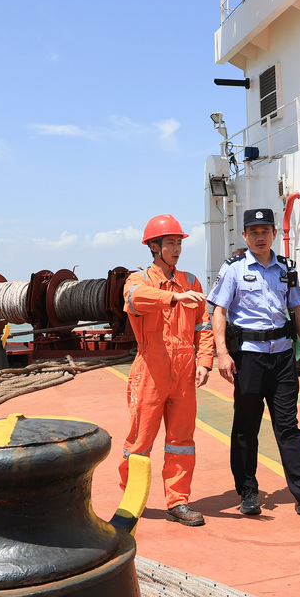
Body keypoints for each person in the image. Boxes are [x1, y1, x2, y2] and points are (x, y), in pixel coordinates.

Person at [208, 208, 300, 519]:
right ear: (245, 235)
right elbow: (219, 311)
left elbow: (297, 309)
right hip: (248, 358)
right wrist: (222, 353)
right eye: (254, 232)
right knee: (246, 426)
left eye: (265, 231)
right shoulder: (234, 269)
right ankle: (248, 491)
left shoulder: (286, 269)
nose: (260, 237)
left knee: (288, 426)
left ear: (274, 234)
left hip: (282, 358)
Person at [121, 214, 214, 527]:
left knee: (181, 439)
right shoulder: (138, 281)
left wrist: (204, 361)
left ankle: (178, 502)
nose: (176, 249)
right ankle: (131, 497)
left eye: (179, 243)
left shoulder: (192, 282)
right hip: (151, 368)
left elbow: (203, 326)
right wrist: (173, 296)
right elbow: (135, 299)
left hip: (185, 369)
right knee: (140, 440)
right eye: (170, 243)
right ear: (154, 246)